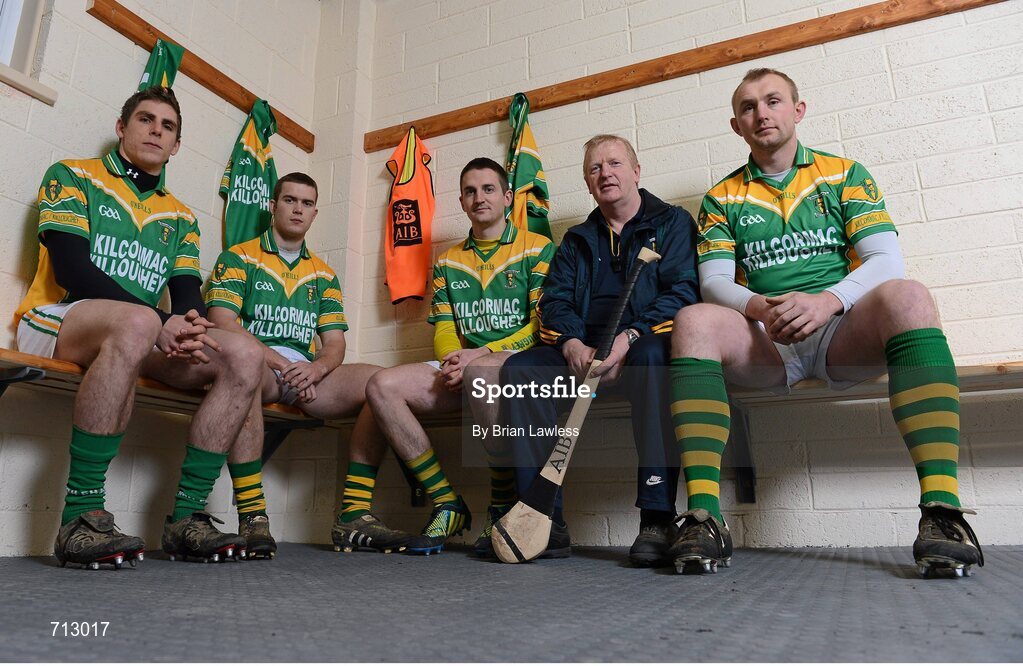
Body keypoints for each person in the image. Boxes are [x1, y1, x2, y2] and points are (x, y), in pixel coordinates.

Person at [668, 68, 983, 577]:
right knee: (692, 320)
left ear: (798, 110)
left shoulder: (844, 173)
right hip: (768, 341)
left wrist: (827, 301)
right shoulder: (721, 196)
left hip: (841, 333)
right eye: (748, 107)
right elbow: (715, 282)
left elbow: (885, 259)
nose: (761, 113)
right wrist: (761, 308)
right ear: (736, 125)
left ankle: (942, 512)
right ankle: (705, 517)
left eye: (773, 101)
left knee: (909, 295)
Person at [15, 86, 266, 568]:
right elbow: (72, 270)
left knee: (243, 353)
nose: (156, 130)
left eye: (167, 126)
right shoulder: (74, 175)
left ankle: (186, 519)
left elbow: (188, 296)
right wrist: (160, 322)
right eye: (145, 119)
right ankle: (80, 517)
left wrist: (188, 328)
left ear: (176, 146)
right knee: (138, 320)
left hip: (137, 332)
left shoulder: (181, 217)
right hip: (59, 318)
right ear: (121, 127)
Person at [500, 135, 699, 565]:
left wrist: (628, 339)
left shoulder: (672, 222)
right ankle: (543, 520)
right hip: (583, 354)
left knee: (653, 358)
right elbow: (554, 302)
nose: (605, 173)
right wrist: (572, 342)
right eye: (595, 168)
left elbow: (684, 292)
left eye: (614, 164)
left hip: (640, 347)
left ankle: (657, 518)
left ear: (636, 171)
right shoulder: (577, 239)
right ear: (588, 183)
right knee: (519, 372)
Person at [364, 157, 556, 556]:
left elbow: (540, 326)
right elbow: (446, 326)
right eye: (470, 191)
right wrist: (454, 359)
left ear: (507, 197)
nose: (479, 197)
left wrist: (480, 355)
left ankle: (501, 505)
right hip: (466, 364)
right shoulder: (448, 261)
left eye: (488, 189)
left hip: (515, 365)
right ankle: (447, 502)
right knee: (381, 385)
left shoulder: (538, 248)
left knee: (482, 372)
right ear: (462, 202)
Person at [205, 172, 388, 558]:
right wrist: (277, 362)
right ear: (273, 206)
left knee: (380, 382)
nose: (298, 209)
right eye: (289, 200)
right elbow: (222, 321)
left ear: (315, 213)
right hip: (259, 366)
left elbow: (334, 343)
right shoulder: (239, 257)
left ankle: (354, 513)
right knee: (247, 369)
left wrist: (316, 369)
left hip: (305, 374)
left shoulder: (324, 274)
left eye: (306, 203)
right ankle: (253, 514)